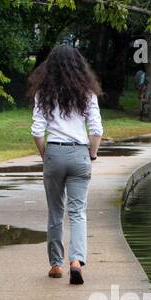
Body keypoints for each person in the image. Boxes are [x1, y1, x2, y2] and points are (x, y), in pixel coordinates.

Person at [29, 43, 103, 284]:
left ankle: (55, 264)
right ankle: (76, 261)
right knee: (78, 212)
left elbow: (37, 131)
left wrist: (45, 155)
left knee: (55, 212)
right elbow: (96, 130)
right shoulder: (87, 93)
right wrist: (91, 154)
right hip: (80, 154)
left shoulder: (44, 93)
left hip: (54, 153)